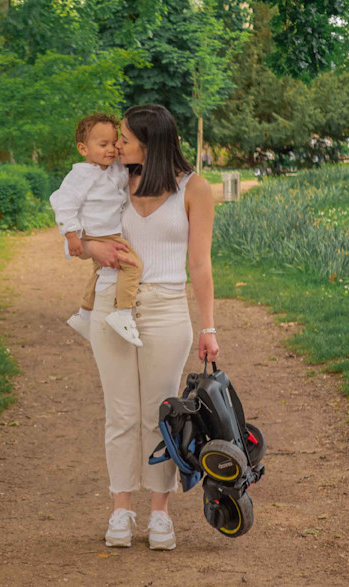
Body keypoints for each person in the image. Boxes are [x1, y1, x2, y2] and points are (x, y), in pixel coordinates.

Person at [81, 104, 219, 551]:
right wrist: (90, 248)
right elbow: (78, 233)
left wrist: (209, 327)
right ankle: (121, 508)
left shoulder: (194, 189)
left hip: (165, 309)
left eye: (124, 137)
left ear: (150, 140)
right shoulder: (113, 182)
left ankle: (160, 513)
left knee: (160, 414)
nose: (116, 145)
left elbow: (200, 263)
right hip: (112, 305)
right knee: (120, 413)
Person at [49, 113, 145, 347]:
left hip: (106, 231)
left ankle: (84, 315)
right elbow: (64, 203)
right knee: (133, 267)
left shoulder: (112, 170)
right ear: (83, 148)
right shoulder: (80, 175)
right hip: (99, 233)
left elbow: (128, 175)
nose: (111, 149)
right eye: (103, 145)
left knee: (98, 272)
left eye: (114, 143)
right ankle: (123, 314)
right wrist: (71, 234)